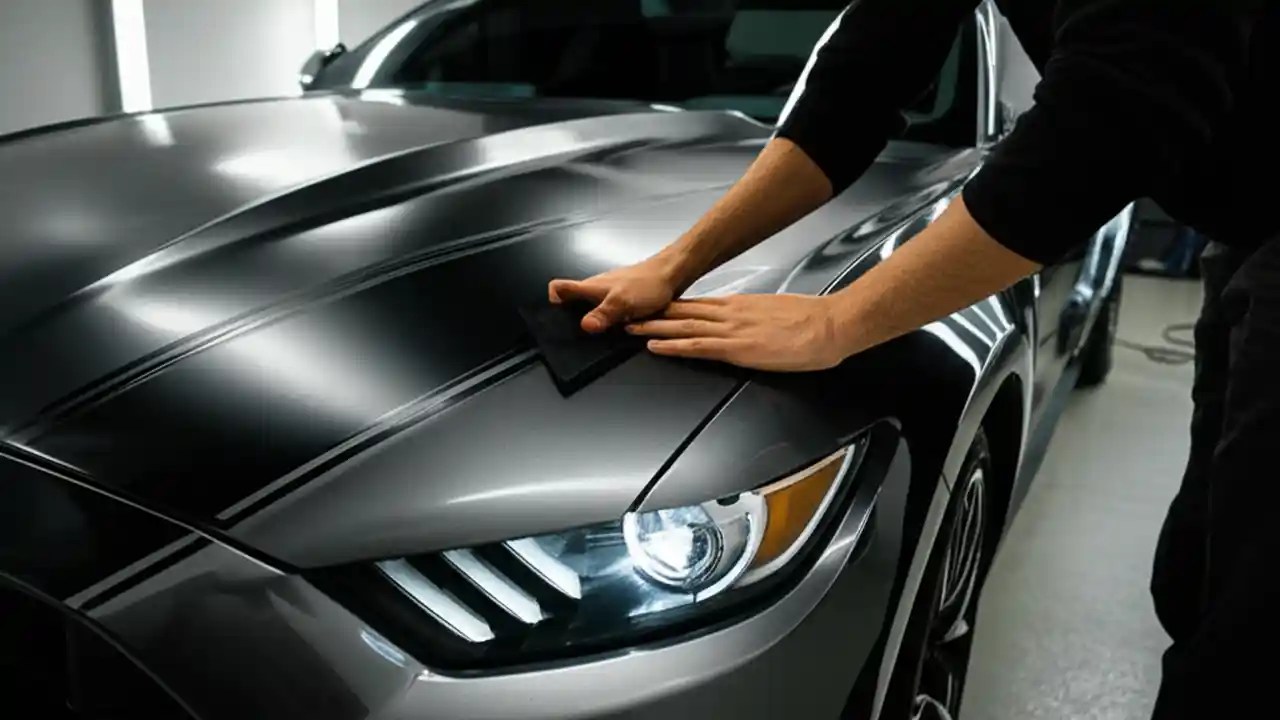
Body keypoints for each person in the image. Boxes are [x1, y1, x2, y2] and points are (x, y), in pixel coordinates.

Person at [547, 1, 1279, 717]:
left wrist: (840, 318)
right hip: (1246, 223)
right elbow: (859, 80)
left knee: (1246, 633)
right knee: (1197, 569)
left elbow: (1106, 122)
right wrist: (677, 264)